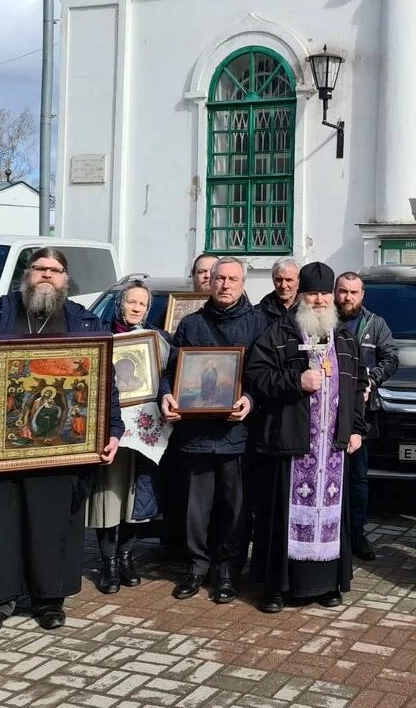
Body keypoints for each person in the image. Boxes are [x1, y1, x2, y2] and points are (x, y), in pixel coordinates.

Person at [0, 248, 124, 637]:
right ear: (27, 274)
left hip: (61, 447)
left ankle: (48, 599)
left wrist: (113, 430)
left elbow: (105, 381)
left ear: (66, 279)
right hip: (0, 443)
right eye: (40, 268)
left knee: (52, 522)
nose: (47, 275)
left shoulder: (85, 321)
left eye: (55, 270)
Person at [245, 261, 364, 613]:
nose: (320, 301)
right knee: (281, 517)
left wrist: (357, 428)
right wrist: (296, 382)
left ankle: (327, 584)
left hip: (332, 449)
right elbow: (257, 376)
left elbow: (357, 386)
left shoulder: (344, 337)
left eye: (325, 294)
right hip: (292, 444)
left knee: (332, 516)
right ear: (301, 296)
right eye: (313, 294)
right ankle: (277, 588)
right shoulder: (279, 332)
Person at [160, 256, 265, 604]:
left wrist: (249, 399)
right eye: (220, 278)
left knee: (235, 507)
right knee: (195, 507)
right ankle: (196, 567)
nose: (225, 285)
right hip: (195, 434)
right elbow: (171, 371)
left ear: (243, 284)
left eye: (233, 279)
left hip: (236, 435)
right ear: (210, 281)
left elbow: (264, 376)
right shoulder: (191, 324)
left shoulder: (258, 323)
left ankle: (227, 571)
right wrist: (166, 396)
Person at [86, 279, 172, 594]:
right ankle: (108, 563)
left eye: (142, 304)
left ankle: (126, 557)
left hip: (144, 433)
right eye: (131, 302)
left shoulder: (158, 340)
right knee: (108, 496)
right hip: (110, 432)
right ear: (120, 304)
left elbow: (169, 376)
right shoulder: (100, 336)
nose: (136, 308)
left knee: (136, 499)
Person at [334, 271, 399, 561]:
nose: (347, 297)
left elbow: (391, 358)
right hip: (328, 411)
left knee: (358, 477)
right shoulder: (323, 320)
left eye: (353, 292)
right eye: (343, 291)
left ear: (362, 295)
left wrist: (372, 379)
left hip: (363, 412)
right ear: (335, 292)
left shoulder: (375, 323)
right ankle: (330, 532)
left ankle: (356, 535)